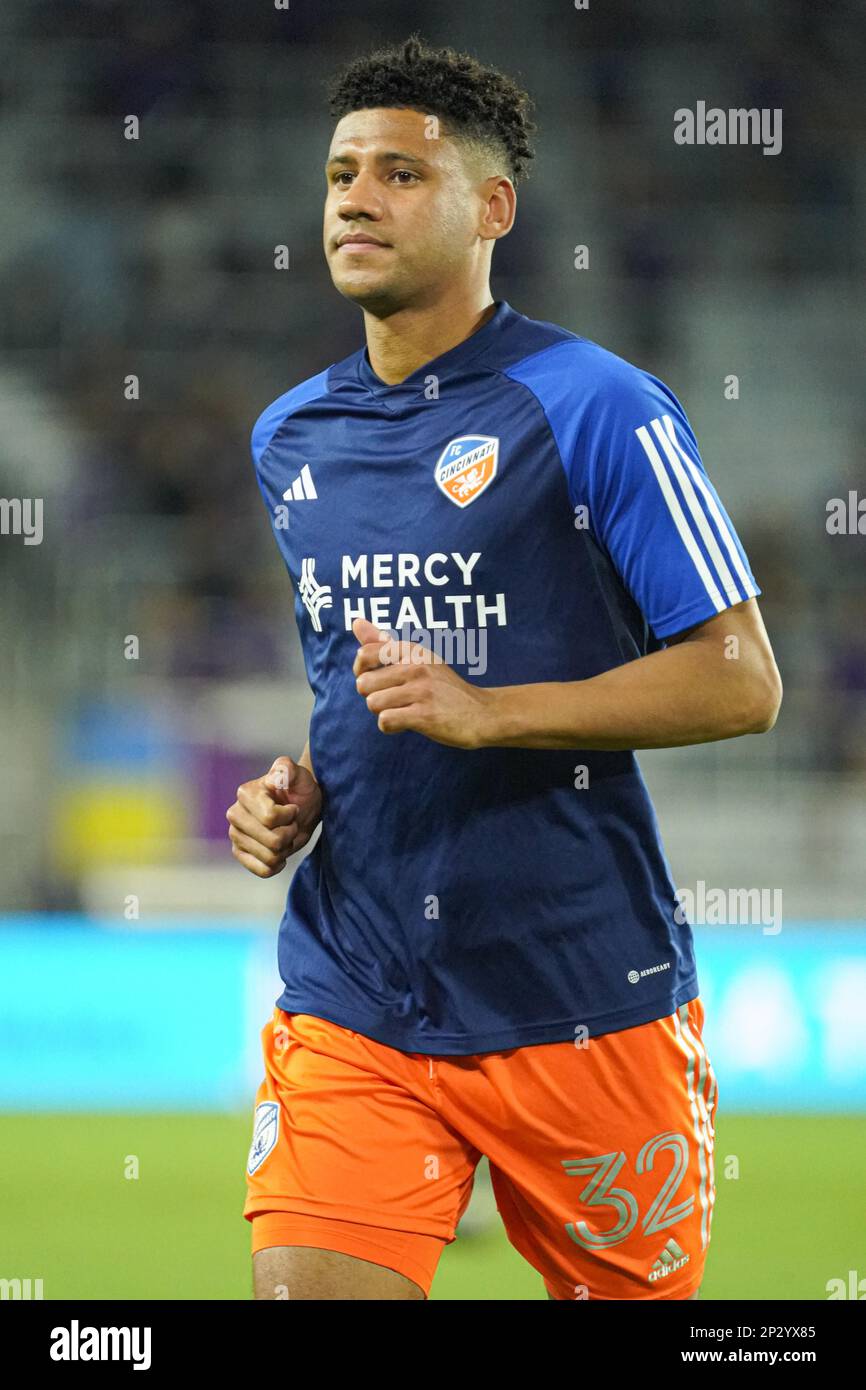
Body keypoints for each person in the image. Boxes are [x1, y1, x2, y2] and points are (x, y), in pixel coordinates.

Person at [227, 35, 782, 1301]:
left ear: (493, 209)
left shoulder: (597, 406)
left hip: (582, 996)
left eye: (399, 174)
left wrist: (489, 715)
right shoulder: (289, 436)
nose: (355, 197)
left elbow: (741, 679)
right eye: (339, 173)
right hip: (358, 982)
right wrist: (301, 792)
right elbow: (357, 680)